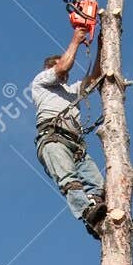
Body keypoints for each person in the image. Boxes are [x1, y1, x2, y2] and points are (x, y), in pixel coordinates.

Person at [30, 25, 105, 237]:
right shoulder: (40, 82)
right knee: (69, 180)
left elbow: (95, 77)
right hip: (53, 140)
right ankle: (86, 212)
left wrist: (101, 47)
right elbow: (63, 67)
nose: (66, 73)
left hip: (75, 145)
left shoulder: (71, 91)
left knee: (100, 187)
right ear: (48, 70)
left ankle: (100, 219)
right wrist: (75, 39)